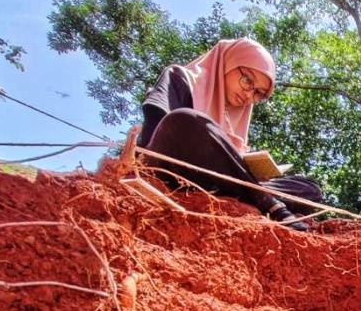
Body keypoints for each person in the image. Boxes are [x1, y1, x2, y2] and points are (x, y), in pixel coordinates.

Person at [136, 38, 322, 232]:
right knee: (185, 119)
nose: (249, 95)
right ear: (228, 62)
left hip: (217, 183)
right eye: (247, 80)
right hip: (170, 172)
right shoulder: (180, 77)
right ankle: (268, 203)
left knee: (309, 189)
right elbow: (154, 133)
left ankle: (245, 194)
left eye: (258, 93)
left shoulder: (238, 115)